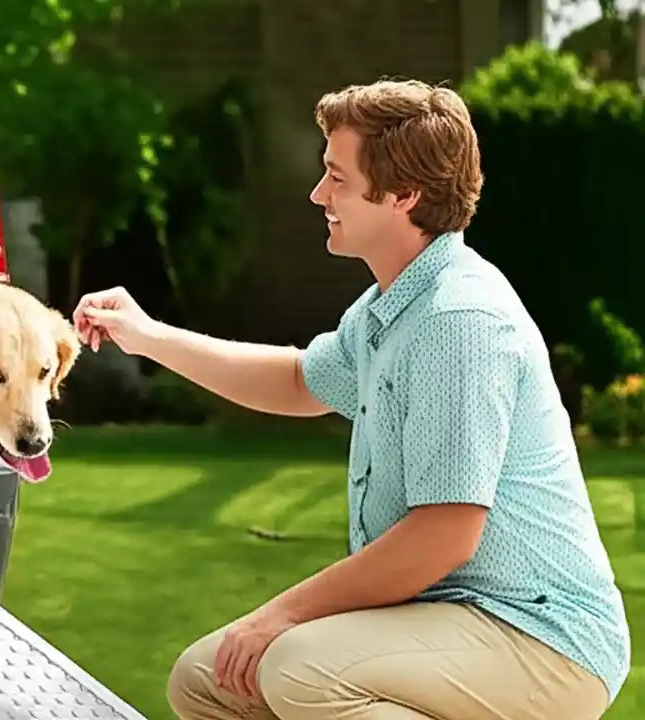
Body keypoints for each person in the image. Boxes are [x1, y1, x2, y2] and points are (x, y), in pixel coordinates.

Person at [73, 79, 630, 720]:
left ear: (404, 194)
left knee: (296, 669)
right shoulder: (392, 308)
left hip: (541, 640)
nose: (319, 195)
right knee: (210, 677)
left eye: (337, 176)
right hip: (451, 617)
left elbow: (445, 536)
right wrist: (148, 336)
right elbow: (295, 381)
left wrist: (279, 614)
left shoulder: (460, 320)